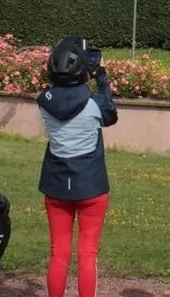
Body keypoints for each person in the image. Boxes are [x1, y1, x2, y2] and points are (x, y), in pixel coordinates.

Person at [37, 36, 118, 297]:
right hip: (91, 185)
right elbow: (110, 115)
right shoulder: (95, 103)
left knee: (58, 254)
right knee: (87, 254)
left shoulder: (43, 102)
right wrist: (101, 76)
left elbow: (60, 95)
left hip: (56, 185)